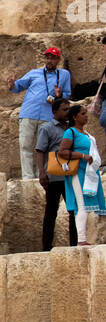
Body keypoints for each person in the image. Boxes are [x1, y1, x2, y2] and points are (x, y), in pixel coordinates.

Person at [8, 46, 70, 180]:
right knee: (25, 146)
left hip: (48, 115)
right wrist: (12, 85)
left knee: (45, 148)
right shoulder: (34, 73)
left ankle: (42, 175)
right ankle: (28, 177)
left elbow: (68, 94)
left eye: (53, 58)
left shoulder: (64, 74)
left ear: (58, 59)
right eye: (47, 57)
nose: (50, 60)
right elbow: (18, 86)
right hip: (28, 113)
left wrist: (60, 95)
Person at [57, 102, 106, 246]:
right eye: (83, 114)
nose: (86, 116)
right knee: (82, 204)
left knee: (87, 204)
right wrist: (82, 156)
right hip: (78, 173)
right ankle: (81, 240)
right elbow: (62, 152)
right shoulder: (70, 132)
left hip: (89, 172)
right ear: (74, 117)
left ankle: (83, 239)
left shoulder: (86, 134)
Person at [36, 99, 78, 250]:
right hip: (54, 177)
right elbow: (40, 151)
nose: (67, 112)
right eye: (64, 110)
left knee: (74, 210)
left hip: (69, 175)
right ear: (55, 112)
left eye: (68, 109)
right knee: (51, 212)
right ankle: (46, 247)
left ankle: (75, 244)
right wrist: (42, 173)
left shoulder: (71, 129)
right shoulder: (46, 129)